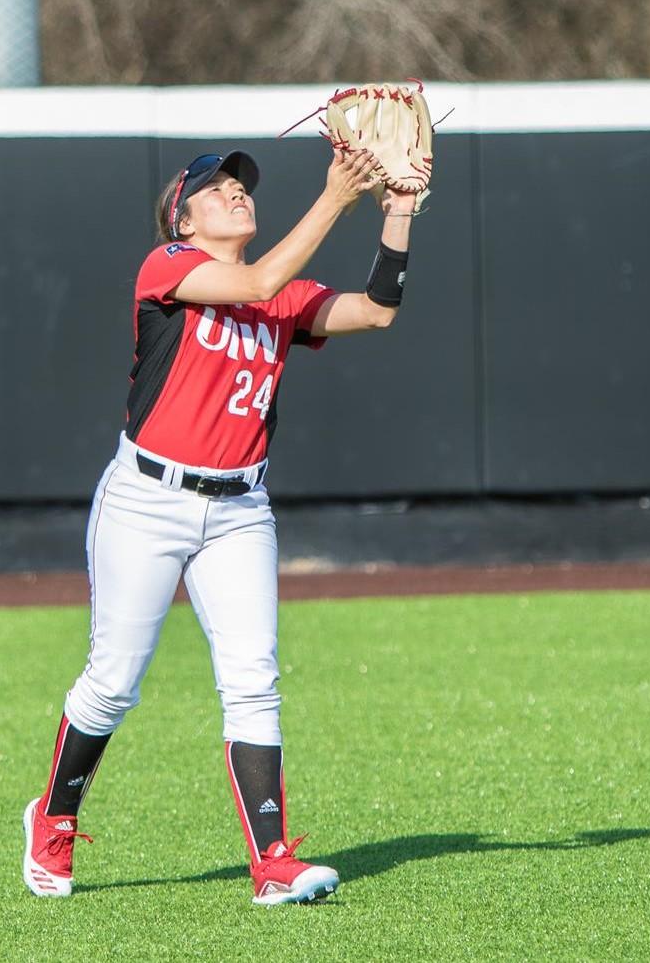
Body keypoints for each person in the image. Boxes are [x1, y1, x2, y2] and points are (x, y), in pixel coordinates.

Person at [22, 143, 424, 904]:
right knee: (112, 684)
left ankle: (272, 858)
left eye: (241, 185)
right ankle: (53, 816)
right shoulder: (165, 266)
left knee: (253, 681)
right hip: (146, 500)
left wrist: (397, 209)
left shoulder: (278, 293)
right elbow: (258, 279)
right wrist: (337, 194)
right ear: (182, 217)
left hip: (239, 507)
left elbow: (376, 309)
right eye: (217, 189)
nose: (236, 193)